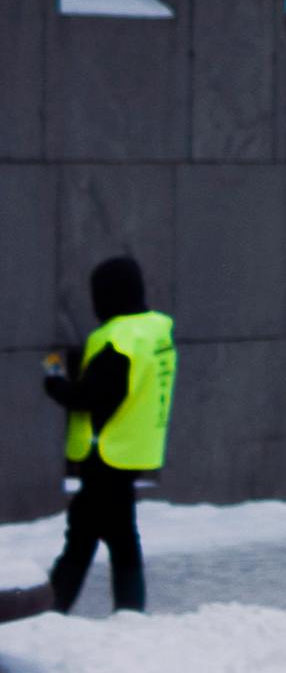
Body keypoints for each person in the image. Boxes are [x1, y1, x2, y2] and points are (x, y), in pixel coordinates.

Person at [39, 253, 170, 617]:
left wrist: (54, 381)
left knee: (86, 535)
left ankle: (52, 612)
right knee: (112, 533)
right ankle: (125, 612)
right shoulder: (153, 332)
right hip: (131, 450)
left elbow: (89, 397)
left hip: (107, 452)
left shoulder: (118, 340)